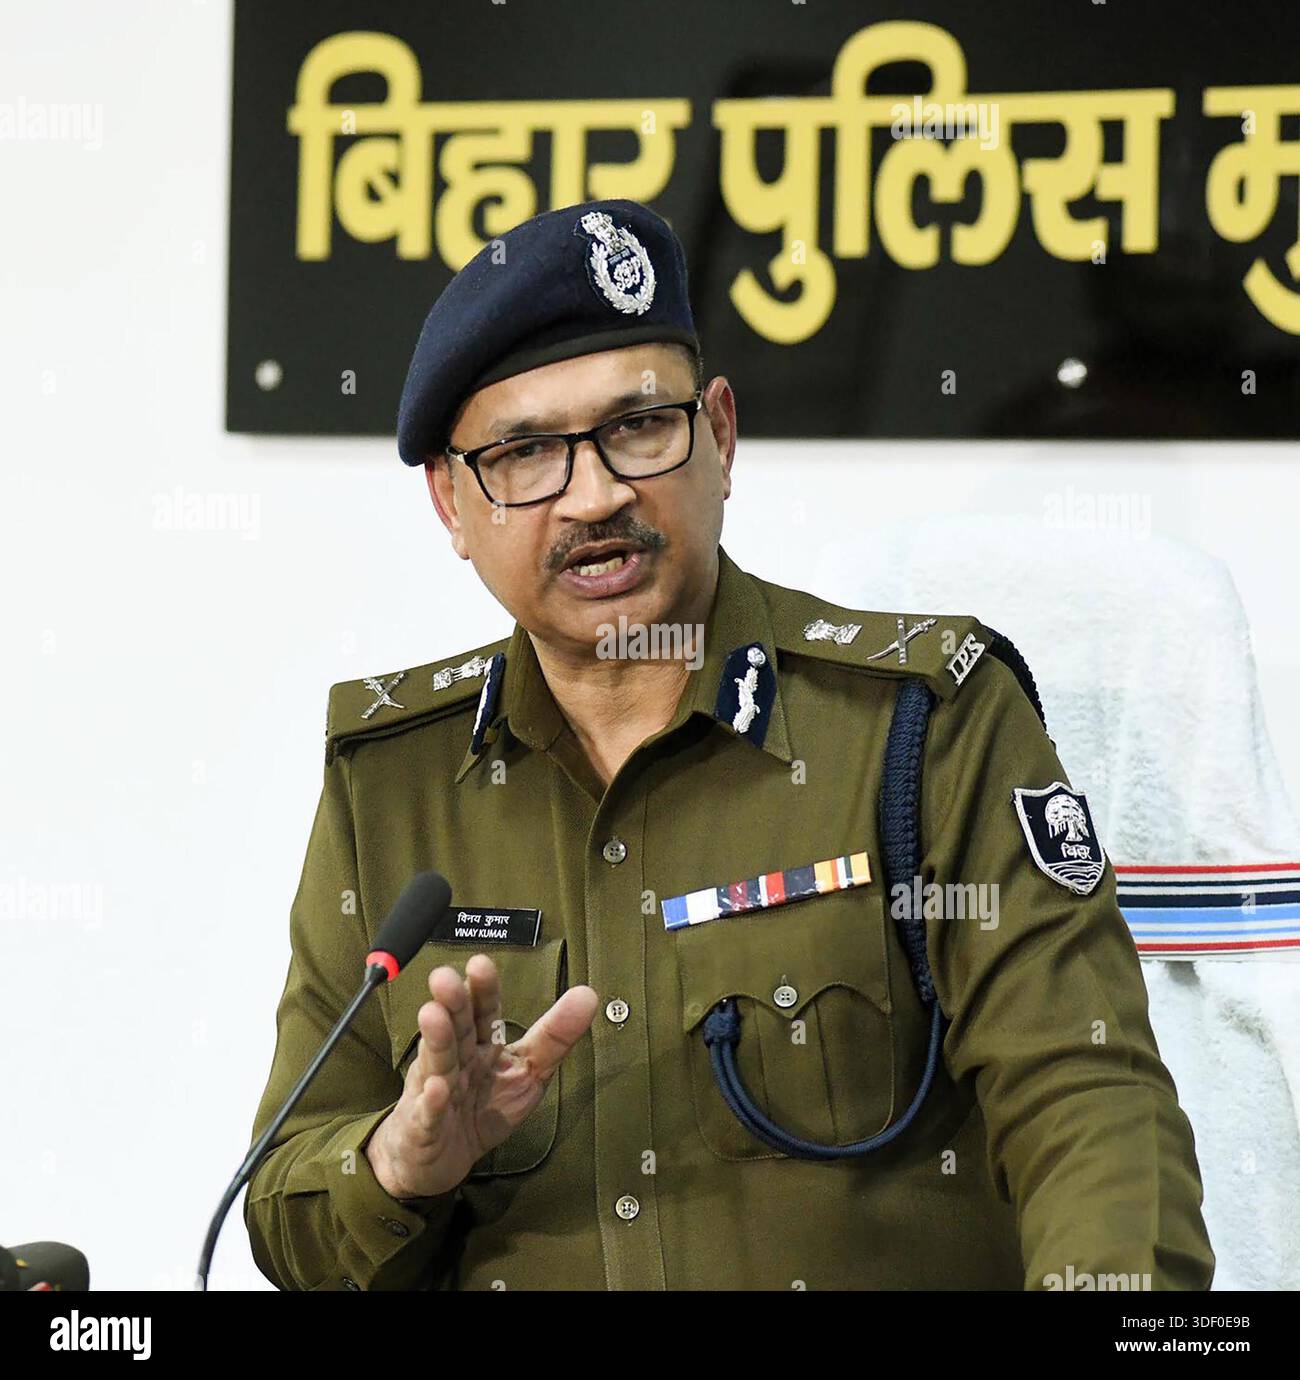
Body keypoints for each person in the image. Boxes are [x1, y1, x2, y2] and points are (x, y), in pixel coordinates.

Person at [244, 199, 1214, 1291]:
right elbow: (285, 1212)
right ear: (451, 505)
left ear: (718, 434)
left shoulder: (923, 724)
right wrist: (399, 1162)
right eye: (524, 453)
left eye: (638, 427)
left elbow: (1090, 1106)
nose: (597, 495)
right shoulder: (393, 785)